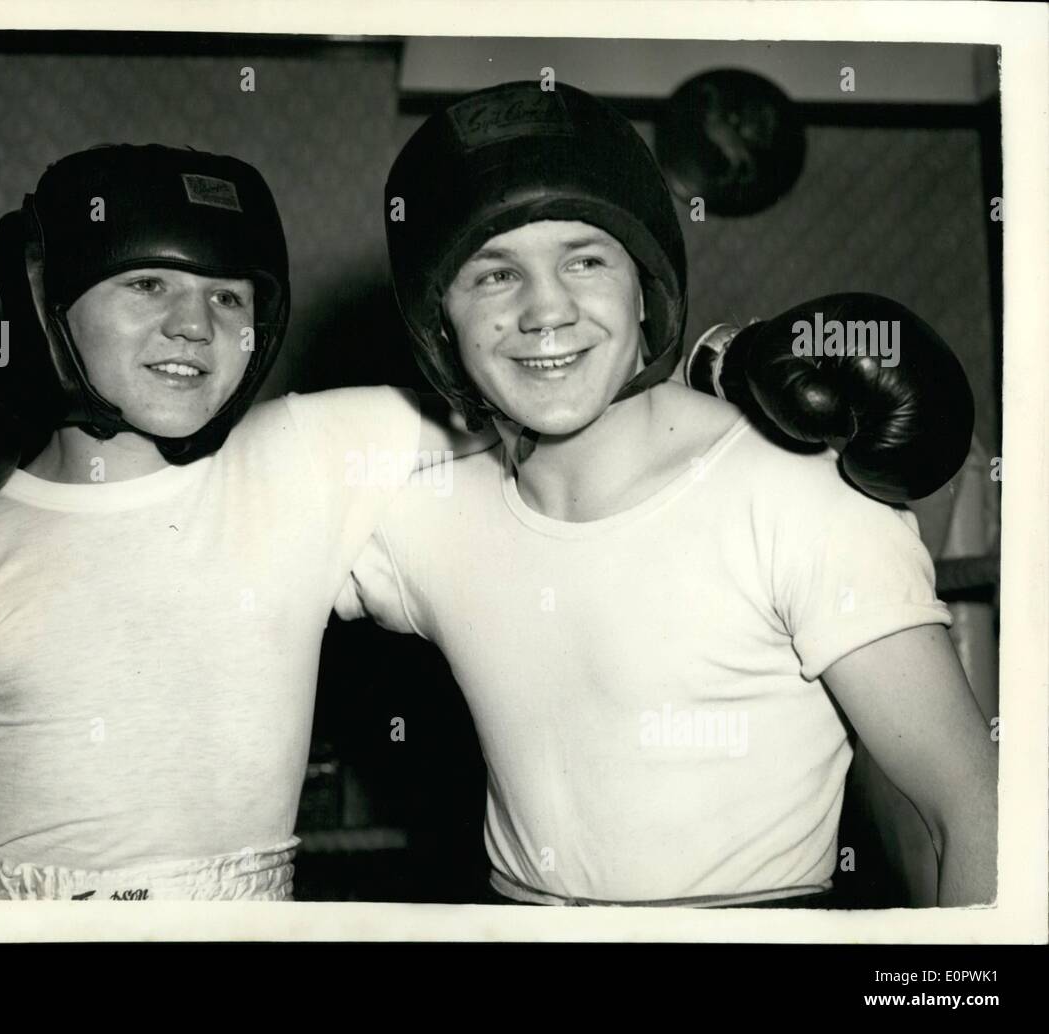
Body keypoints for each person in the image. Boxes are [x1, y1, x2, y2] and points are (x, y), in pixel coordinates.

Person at [0, 112, 978, 901]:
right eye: (144, 285)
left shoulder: (321, 451)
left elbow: (555, 384)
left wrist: (741, 360)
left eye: (223, 294)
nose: (190, 328)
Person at [336, 80, 996, 907]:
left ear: (644, 287)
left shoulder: (799, 499)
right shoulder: (422, 517)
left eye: (585, 260)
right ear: (442, 324)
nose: (547, 310)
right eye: (495, 274)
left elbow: (971, 808)